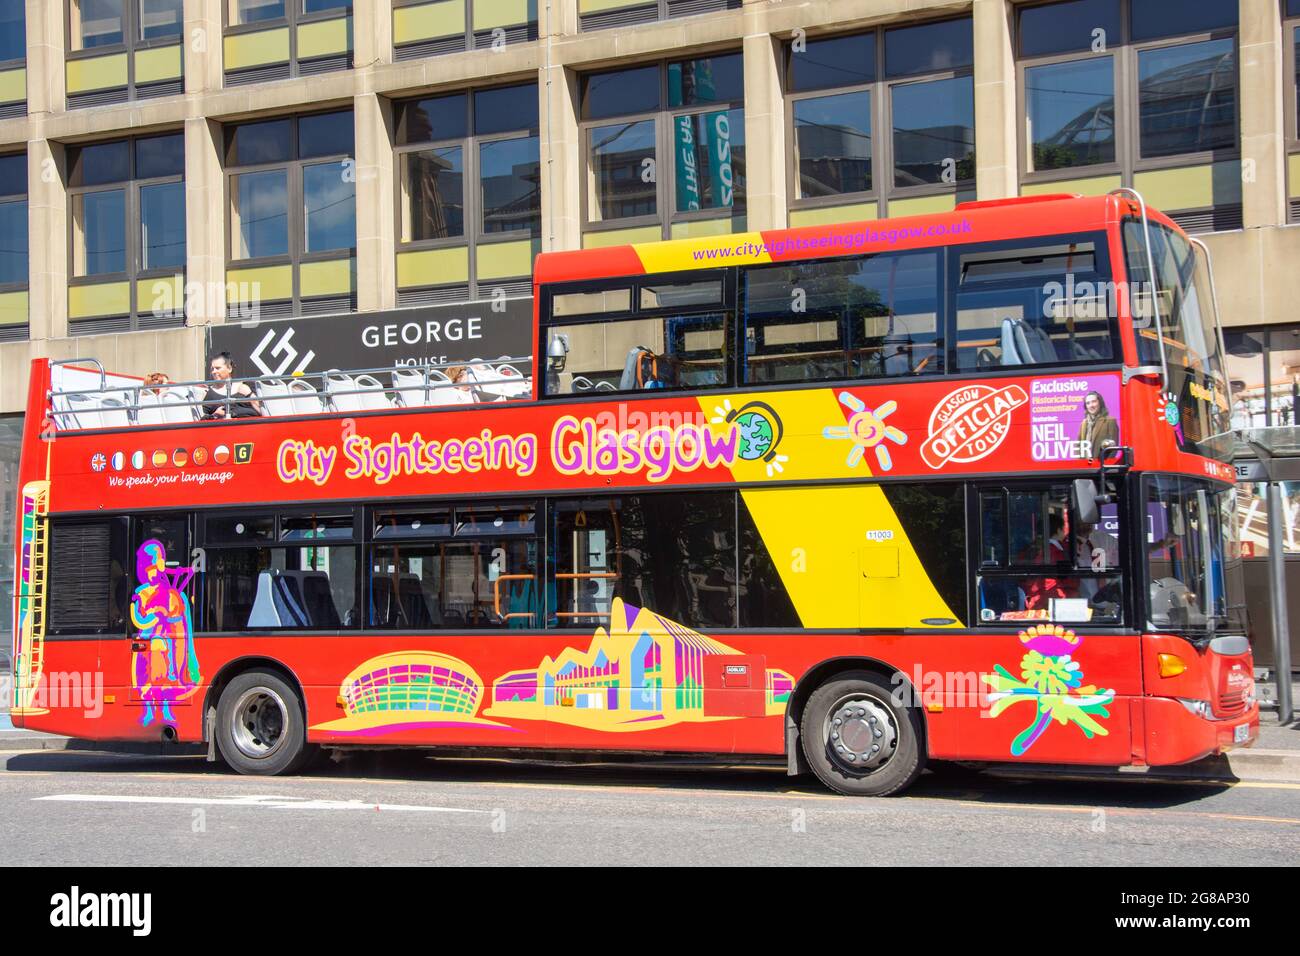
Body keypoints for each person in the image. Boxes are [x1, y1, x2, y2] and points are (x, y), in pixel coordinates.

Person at [203, 351, 261, 419]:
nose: (214, 372)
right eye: (212, 369)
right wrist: (214, 415)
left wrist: (249, 394)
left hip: (252, 425)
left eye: (218, 368)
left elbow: (264, 412)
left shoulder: (245, 385)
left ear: (229, 369)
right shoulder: (210, 394)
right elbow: (202, 421)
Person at [1077, 390, 1119, 460]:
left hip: (1101, 467)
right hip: (1085, 466)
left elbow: (1113, 448)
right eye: (1088, 403)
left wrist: (1105, 465)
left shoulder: (1110, 421)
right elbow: (1079, 446)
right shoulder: (1083, 423)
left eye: (1094, 401)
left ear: (1100, 402)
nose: (1091, 405)